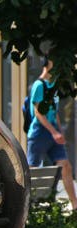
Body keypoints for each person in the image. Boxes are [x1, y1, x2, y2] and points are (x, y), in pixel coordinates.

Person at [27, 58, 77, 211]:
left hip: (53, 133)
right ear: (48, 64)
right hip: (39, 132)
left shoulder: (53, 86)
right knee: (32, 170)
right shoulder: (38, 85)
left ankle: (75, 206)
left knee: (66, 166)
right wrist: (54, 132)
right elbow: (38, 112)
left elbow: (53, 112)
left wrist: (59, 132)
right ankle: (26, 206)